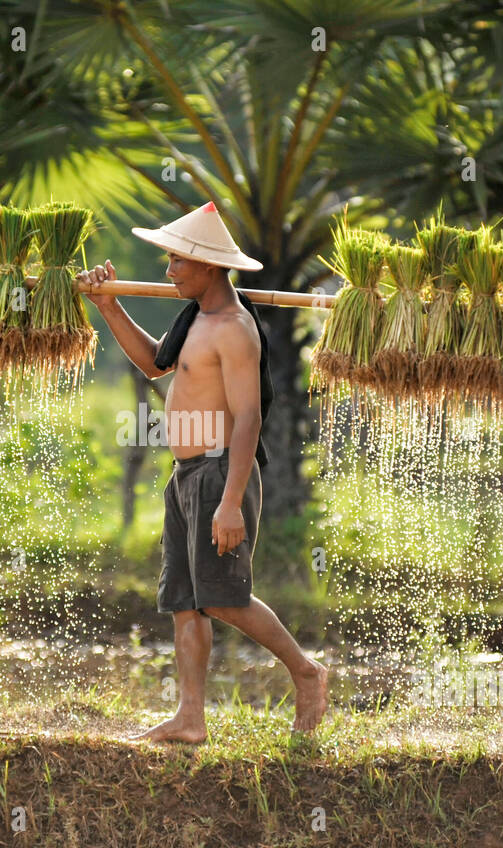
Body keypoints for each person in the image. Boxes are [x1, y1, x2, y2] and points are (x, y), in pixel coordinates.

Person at [78, 201, 329, 743]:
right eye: (168, 261)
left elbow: (248, 419)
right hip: (186, 474)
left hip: (220, 473)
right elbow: (154, 364)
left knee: (220, 597)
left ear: (209, 266)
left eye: (176, 261)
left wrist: (232, 500)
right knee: (185, 601)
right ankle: (190, 718)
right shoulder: (193, 317)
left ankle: (306, 673)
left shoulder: (235, 329)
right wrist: (107, 305)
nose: (168, 271)